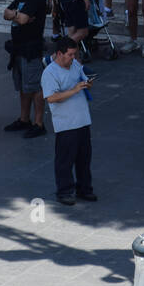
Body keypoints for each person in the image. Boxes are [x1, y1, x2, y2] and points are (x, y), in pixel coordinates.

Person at [42, 37, 96, 206]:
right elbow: (51, 97)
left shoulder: (75, 65)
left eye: (75, 54)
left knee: (84, 159)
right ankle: (64, 191)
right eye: (70, 54)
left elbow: (82, 78)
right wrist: (74, 90)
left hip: (82, 120)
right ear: (59, 53)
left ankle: (84, 188)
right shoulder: (50, 73)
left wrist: (87, 85)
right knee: (65, 160)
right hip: (66, 124)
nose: (73, 58)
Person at [3, 0, 47, 139]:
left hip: (32, 48)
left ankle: (38, 123)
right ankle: (24, 119)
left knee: (35, 86)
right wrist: (18, 15)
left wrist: (19, 16)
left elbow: (20, 19)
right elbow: (7, 13)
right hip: (19, 48)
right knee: (22, 85)